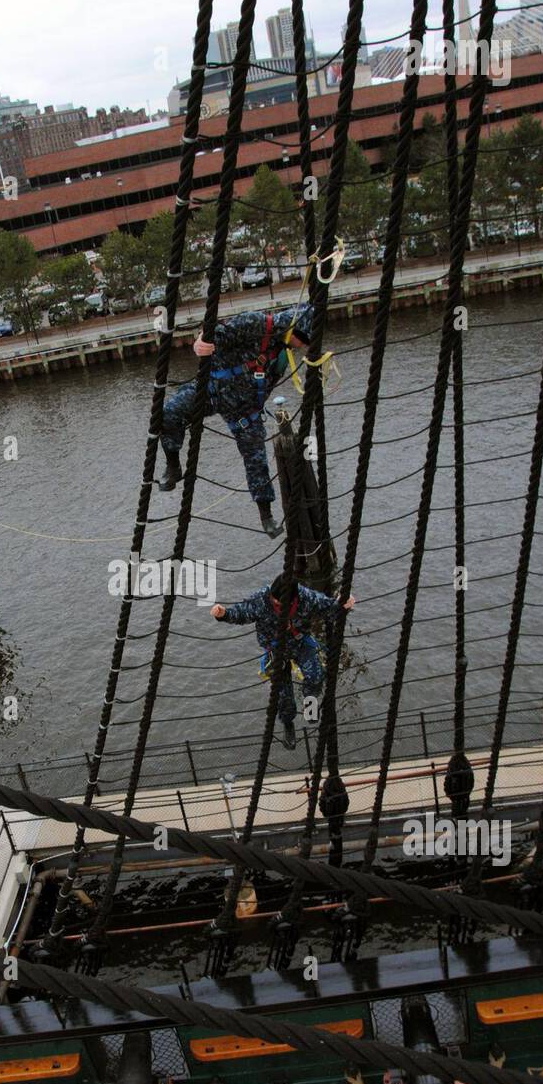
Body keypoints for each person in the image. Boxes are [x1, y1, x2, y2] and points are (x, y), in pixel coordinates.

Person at [160, 304, 314, 538]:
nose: (302, 347)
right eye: (303, 341)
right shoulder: (256, 323)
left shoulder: (282, 356)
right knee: (168, 413)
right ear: (295, 331)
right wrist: (202, 342)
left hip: (245, 413)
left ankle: (266, 516)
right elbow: (220, 334)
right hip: (212, 390)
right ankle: (173, 465)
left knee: (256, 460)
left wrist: (253, 409)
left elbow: (267, 384)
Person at [210, 573, 355, 750]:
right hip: (276, 650)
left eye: (278, 603)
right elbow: (242, 612)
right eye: (273, 600)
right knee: (283, 694)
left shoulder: (306, 598)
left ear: (293, 600)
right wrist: (223, 614)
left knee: (316, 676)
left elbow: (328, 608)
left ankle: (310, 703)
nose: (274, 603)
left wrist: (343, 605)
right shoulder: (262, 599)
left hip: (300, 643)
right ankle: (288, 723)